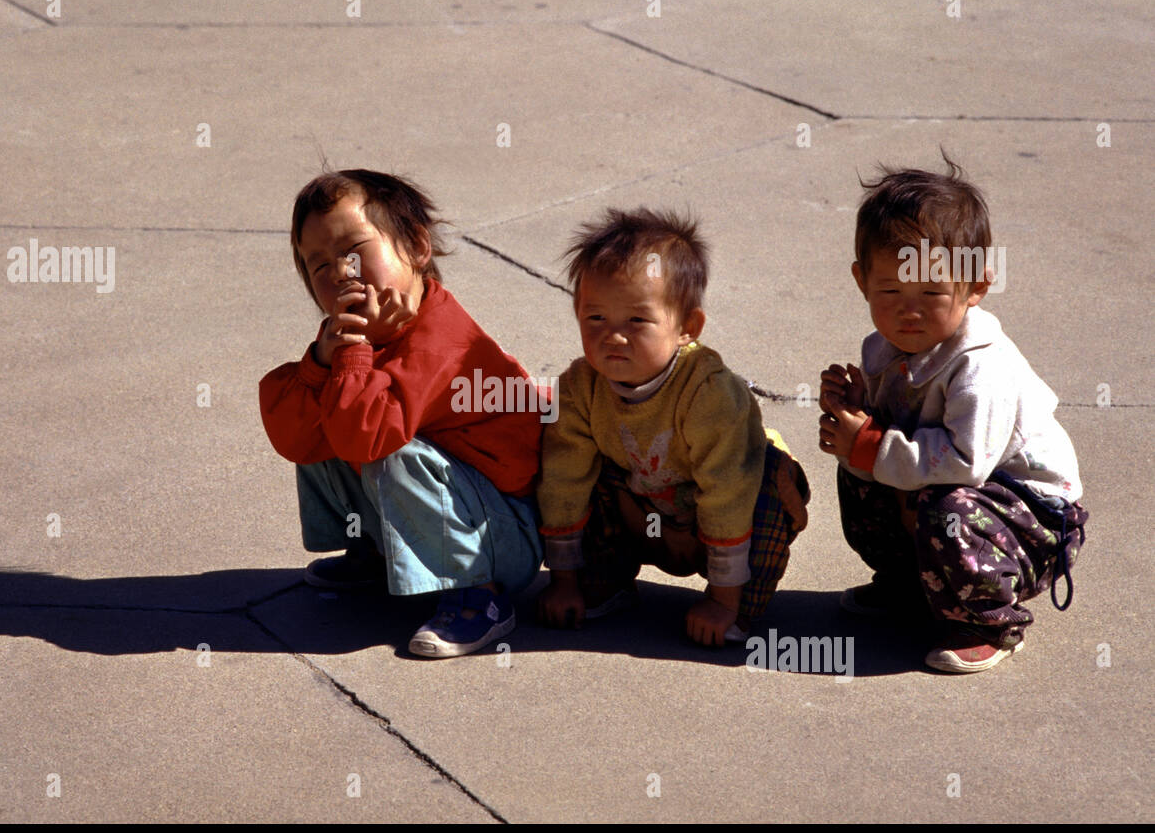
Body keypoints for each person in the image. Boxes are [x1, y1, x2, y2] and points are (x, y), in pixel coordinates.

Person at [818, 154, 1087, 673]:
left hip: (1031, 521)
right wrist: (857, 412)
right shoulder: (886, 347)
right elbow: (899, 436)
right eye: (890, 291)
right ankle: (913, 583)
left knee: (946, 508)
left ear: (975, 288)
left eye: (932, 293)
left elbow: (964, 463)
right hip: (955, 492)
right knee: (859, 474)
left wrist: (870, 442)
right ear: (861, 281)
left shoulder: (980, 366)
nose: (908, 310)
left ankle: (990, 619)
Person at [260, 169, 545, 658]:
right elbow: (293, 437)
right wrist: (317, 366)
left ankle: (479, 598)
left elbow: (364, 437)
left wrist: (349, 356)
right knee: (315, 412)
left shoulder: (441, 343)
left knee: (390, 448)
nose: (342, 274)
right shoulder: (365, 336)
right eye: (320, 266)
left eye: (354, 253)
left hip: (502, 538)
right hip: (465, 506)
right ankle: (377, 549)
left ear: (416, 246)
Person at [536, 207, 810, 645]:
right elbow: (563, 480)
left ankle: (734, 599)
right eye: (595, 319)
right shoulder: (579, 388)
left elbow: (727, 490)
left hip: (728, 505)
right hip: (649, 506)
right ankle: (606, 580)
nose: (614, 336)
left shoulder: (709, 393)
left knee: (767, 492)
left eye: (637, 321)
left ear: (687, 327)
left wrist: (723, 601)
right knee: (577, 472)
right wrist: (564, 581)